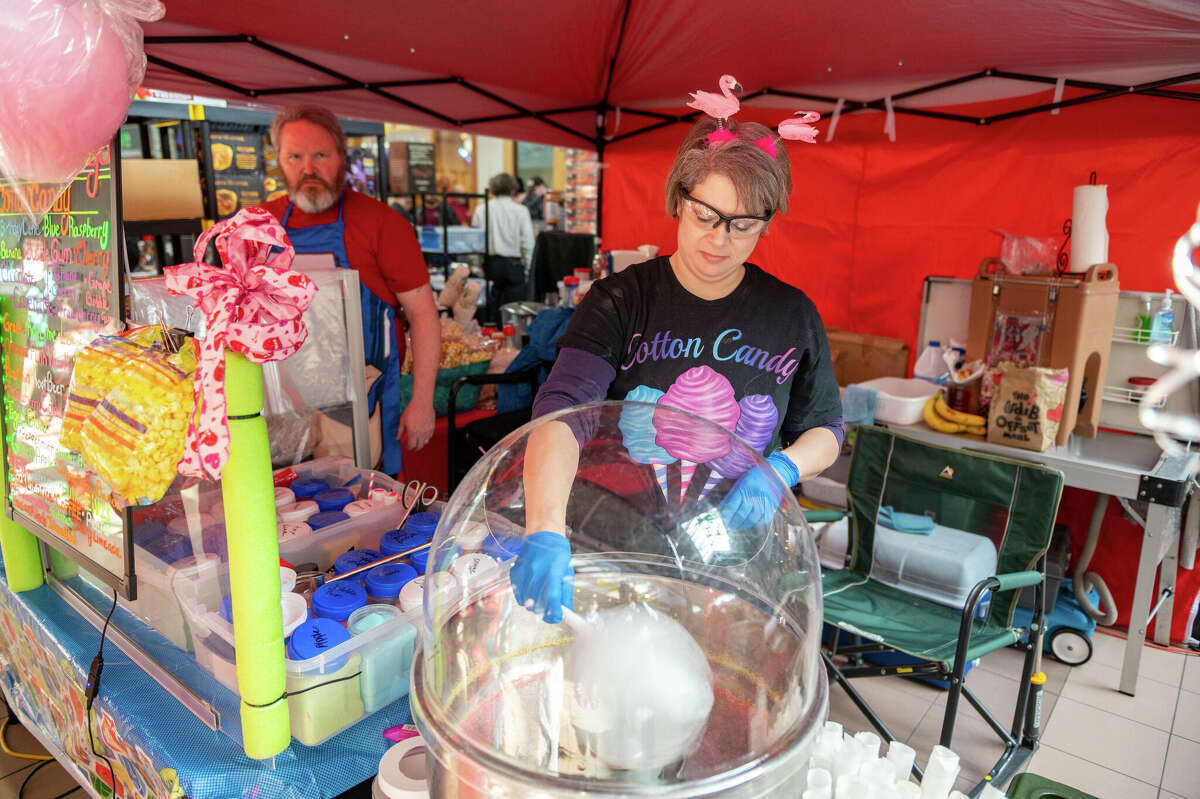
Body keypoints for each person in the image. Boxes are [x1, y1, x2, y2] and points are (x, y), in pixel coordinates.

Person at [508, 117, 844, 623]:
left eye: (742, 224)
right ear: (678, 201)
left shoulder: (791, 314)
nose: (720, 239)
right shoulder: (620, 300)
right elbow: (563, 414)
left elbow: (826, 429)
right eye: (706, 214)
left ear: (766, 222)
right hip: (613, 551)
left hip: (734, 565)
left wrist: (781, 470)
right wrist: (545, 527)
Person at [263, 104, 440, 476]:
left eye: (320, 155)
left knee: (361, 500)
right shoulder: (259, 225)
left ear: (342, 157)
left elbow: (423, 315)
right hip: (281, 406)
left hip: (360, 407)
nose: (308, 169)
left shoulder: (382, 224)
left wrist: (422, 401)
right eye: (295, 157)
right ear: (279, 160)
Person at [471, 172, 534, 309]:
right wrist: (529, 268)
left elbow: (476, 242)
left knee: (490, 309)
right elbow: (527, 243)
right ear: (513, 189)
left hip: (491, 263)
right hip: (514, 265)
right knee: (514, 310)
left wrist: (477, 265)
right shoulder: (521, 210)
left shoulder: (481, 209)